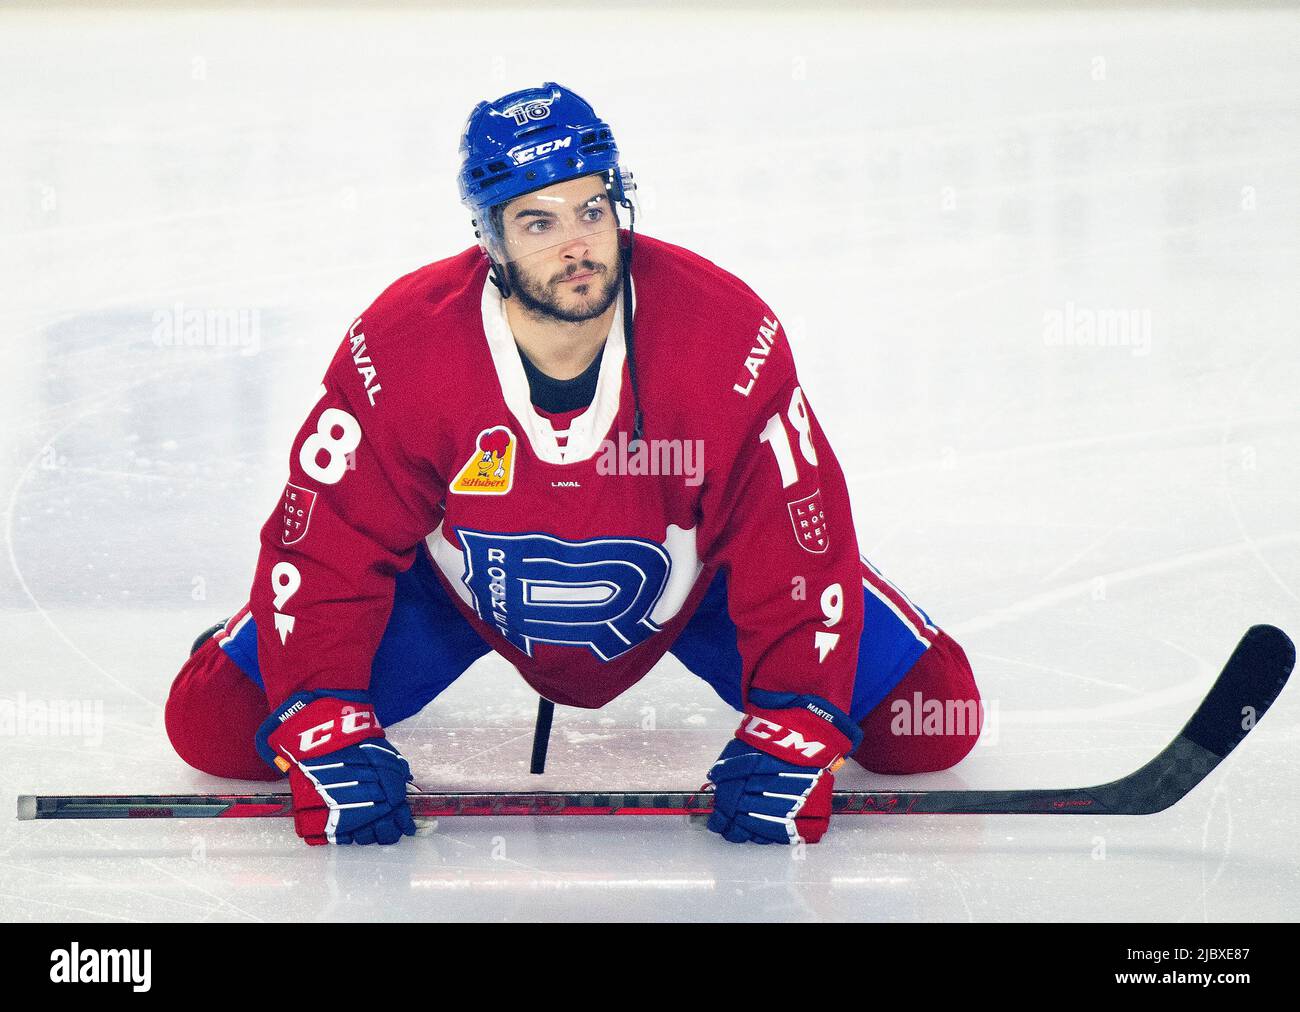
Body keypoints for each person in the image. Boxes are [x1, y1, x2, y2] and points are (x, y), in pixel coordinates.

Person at [164, 82, 982, 848]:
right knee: (218, 727)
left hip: (690, 590)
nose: (579, 243)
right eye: (539, 222)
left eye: (592, 208)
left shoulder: (723, 333)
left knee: (930, 720)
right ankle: (268, 648)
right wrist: (321, 711)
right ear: (489, 237)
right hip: (464, 592)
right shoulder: (403, 345)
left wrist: (799, 714)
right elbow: (327, 542)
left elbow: (794, 537)